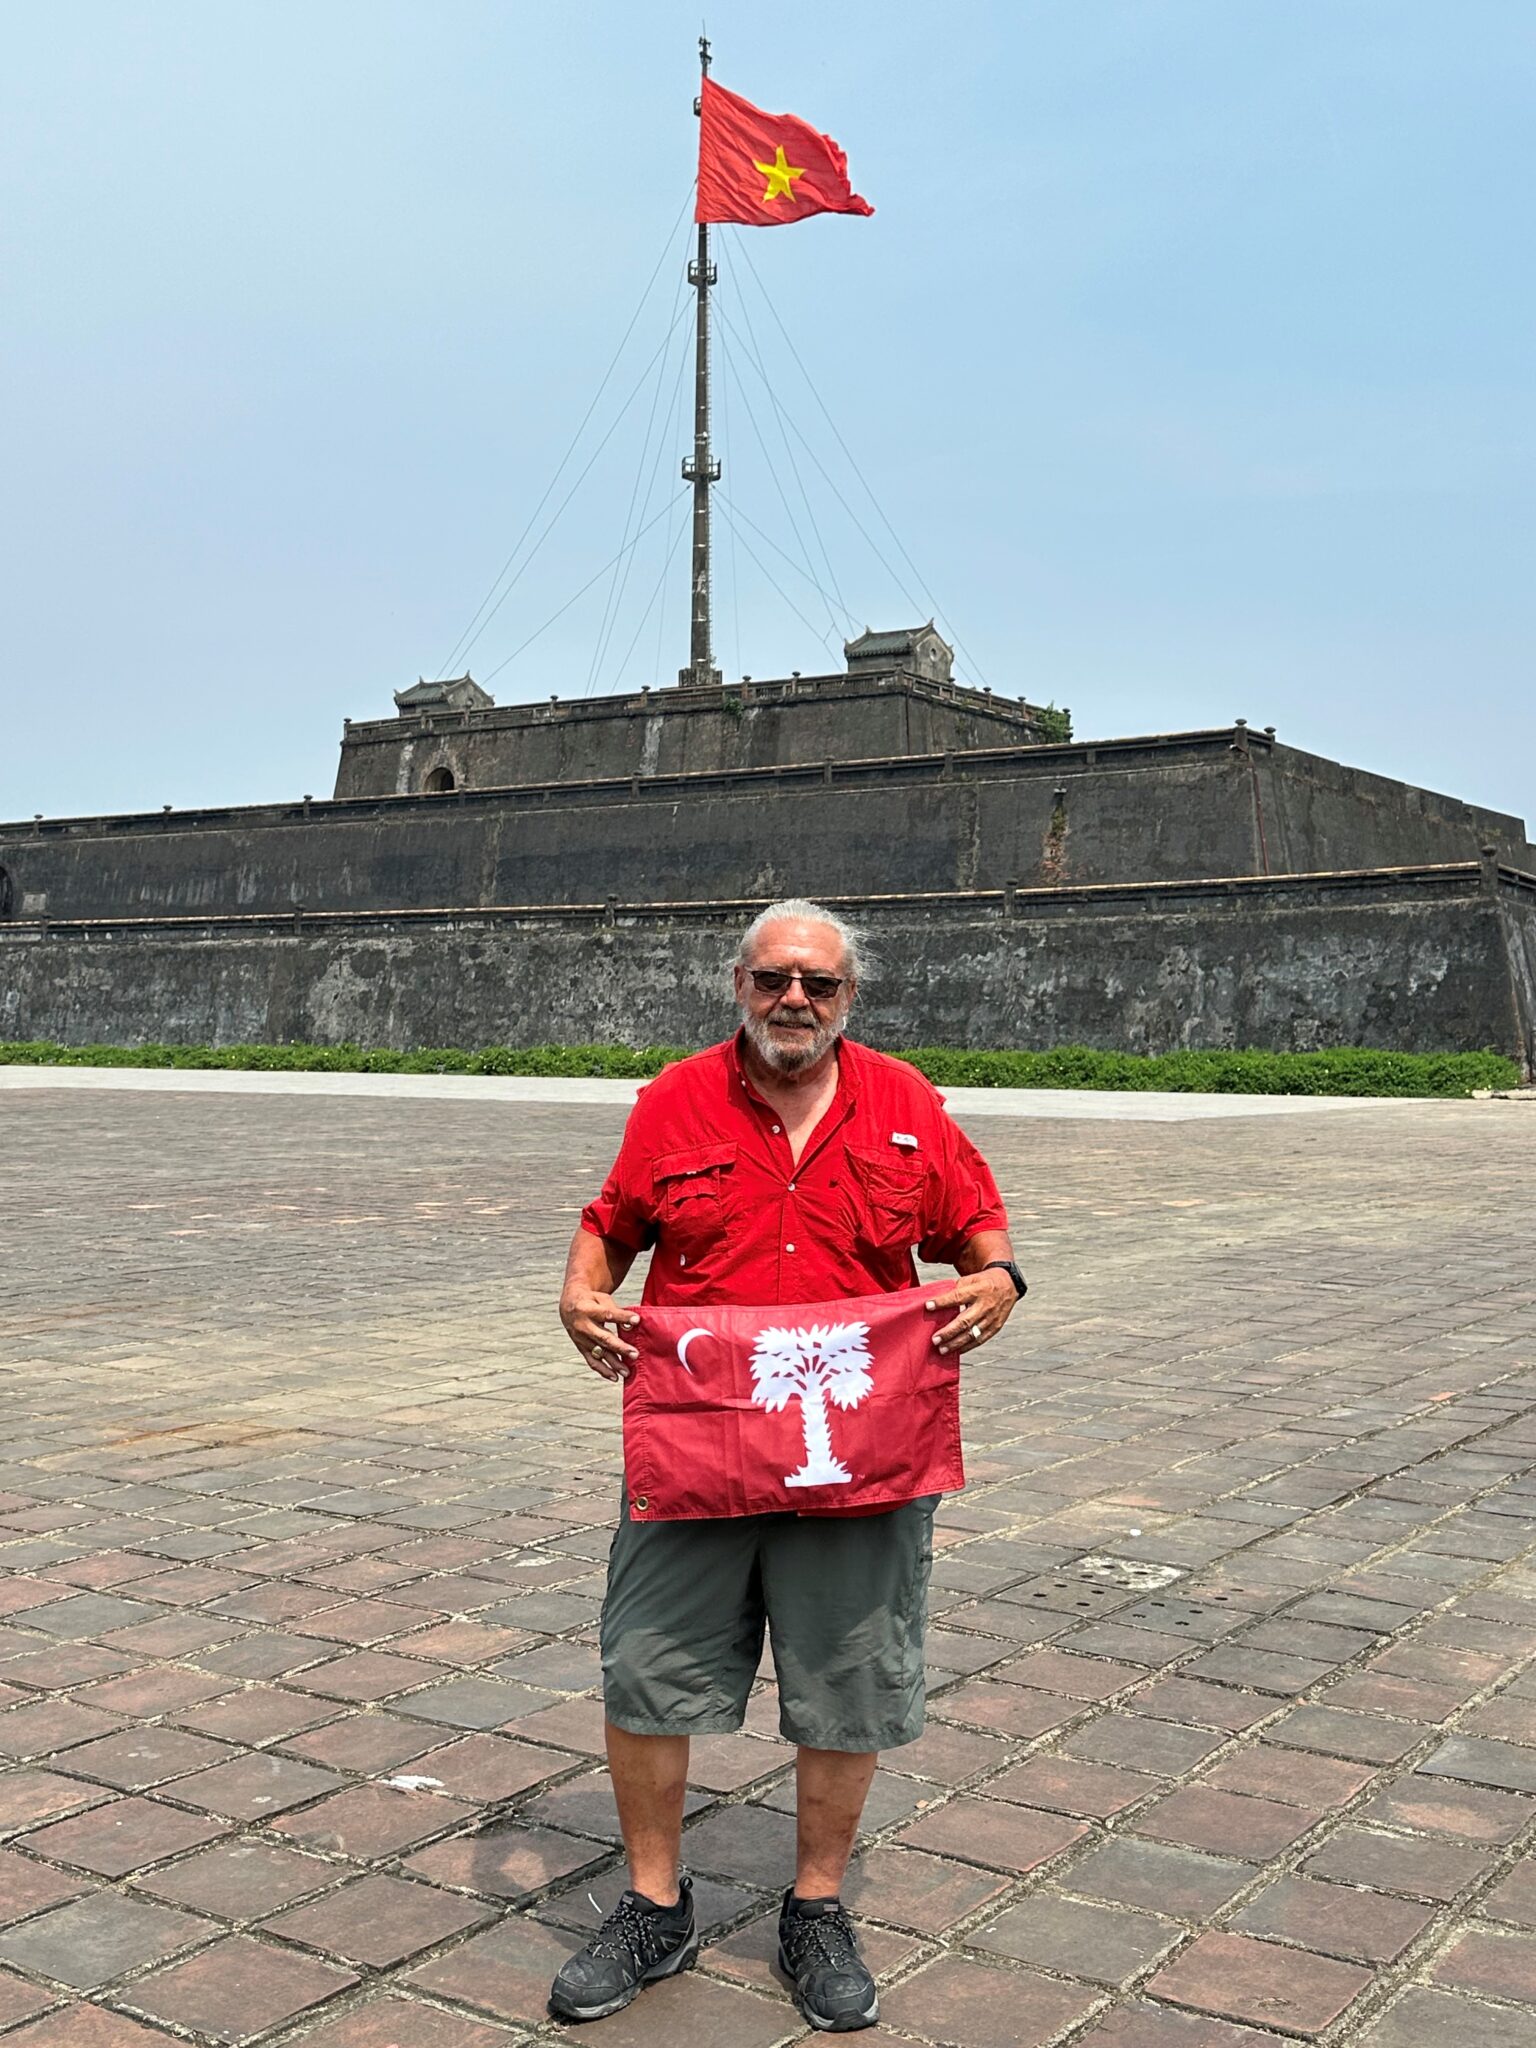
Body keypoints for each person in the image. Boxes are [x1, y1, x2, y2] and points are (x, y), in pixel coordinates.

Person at [549, 898, 1025, 2031]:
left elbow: (978, 1224)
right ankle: (654, 1904)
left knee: (848, 1675)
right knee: (648, 1664)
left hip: (857, 1447)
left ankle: (815, 1907)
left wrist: (1001, 1278)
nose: (794, 999)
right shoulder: (676, 1100)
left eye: (817, 982)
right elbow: (613, 1221)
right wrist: (579, 1289)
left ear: (849, 995)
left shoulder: (906, 1103)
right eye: (772, 979)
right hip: (700, 1439)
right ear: (740, 986)